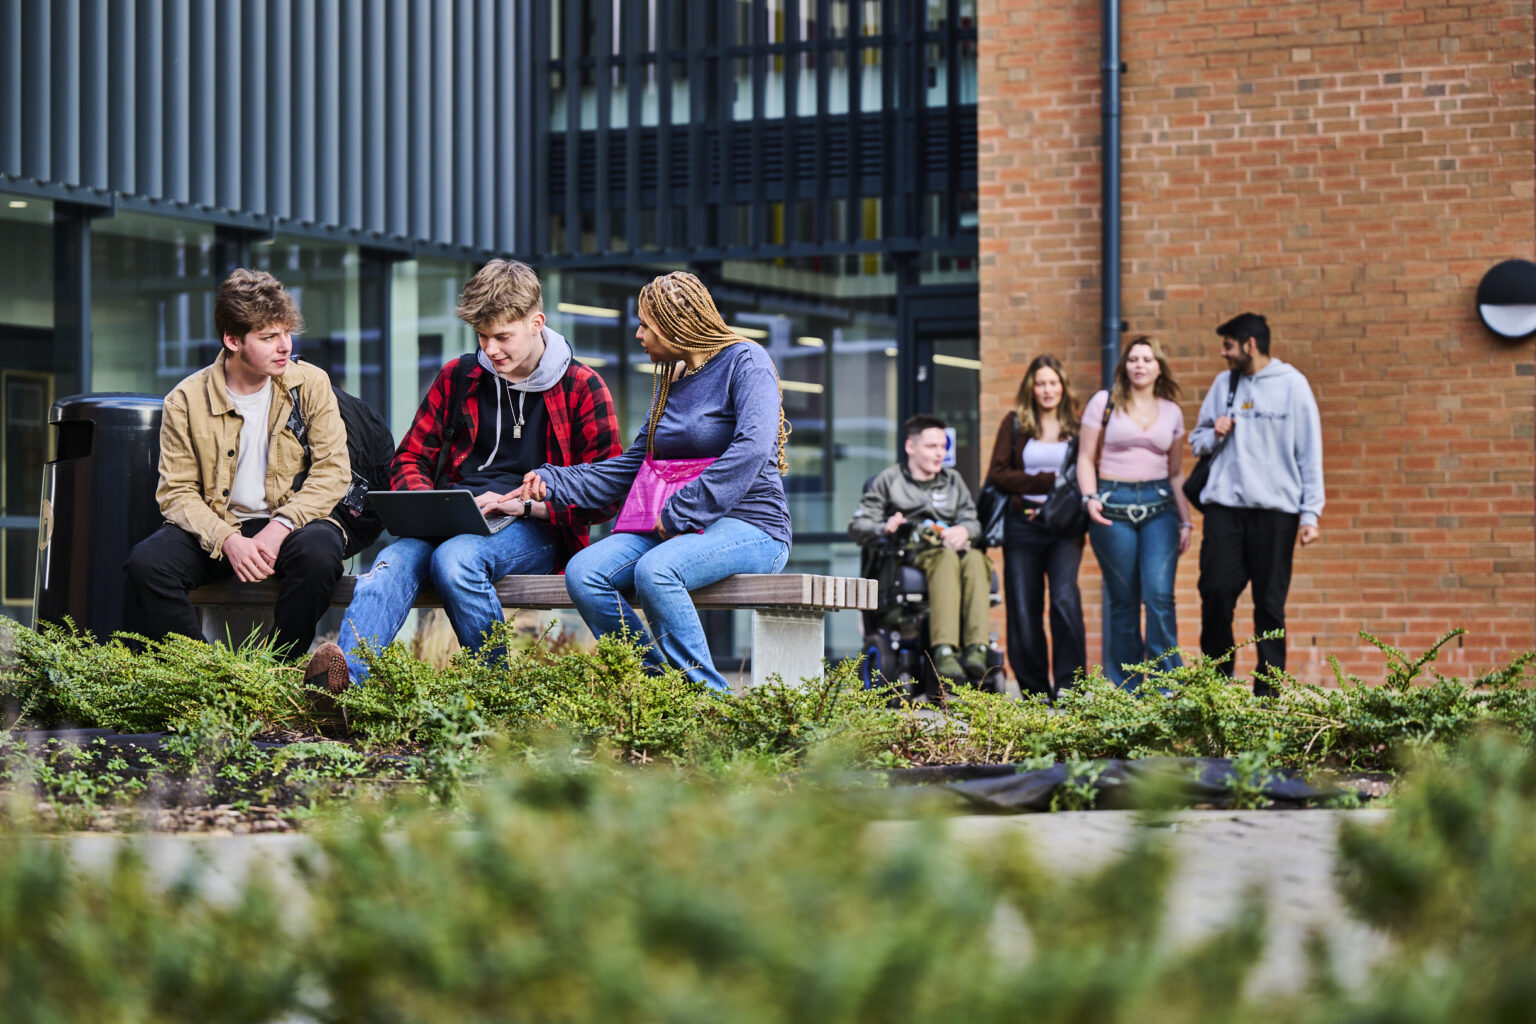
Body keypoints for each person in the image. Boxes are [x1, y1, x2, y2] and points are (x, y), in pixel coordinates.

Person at [303, 259, 622, 690]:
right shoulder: (460, 376)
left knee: (456, 560)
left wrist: (524, 503)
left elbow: (606, 493)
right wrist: (425, 506)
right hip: (450, 517)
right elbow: (409, 457)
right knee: (387, 567)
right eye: (482, 336)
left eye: (502, 336)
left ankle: (493, 695)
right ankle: (344, 694)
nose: (490, 350)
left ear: (536, 322)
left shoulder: (582, 387)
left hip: (532, 526)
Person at [516, 271, 792, 693]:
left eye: (646, 324)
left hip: (752, 525)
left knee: (656, 570)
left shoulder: (746, 361)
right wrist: (555, 481)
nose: (639, 334)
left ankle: (707, 700)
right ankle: (656, 690)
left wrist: (683, 511)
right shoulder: (671, 380)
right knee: (585, 571)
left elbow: (753, 449)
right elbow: (631, 467)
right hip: (677, 524)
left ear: (675, 323)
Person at [124, 268, 350, 660]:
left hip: (291, 521)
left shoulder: (310, 383)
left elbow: (333, 472)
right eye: (268, 337)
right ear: (232, 340)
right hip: (217, 526)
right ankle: (209, 680)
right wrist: (228, 540)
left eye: (286, 333)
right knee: (147, 564)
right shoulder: (186, 400)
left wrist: (279, 527)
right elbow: (176, 493)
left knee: (320, 553)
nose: (285, 346)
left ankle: (276, 673)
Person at [1189, 312, 1324, 696]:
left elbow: (1309, 453)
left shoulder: (1293, 386)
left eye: (1228, 345)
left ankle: (1267, 693)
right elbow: (1196, 441)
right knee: (1215, 591)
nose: (1222, 353)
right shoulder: (1224, 383)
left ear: (1250, 344)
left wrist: (1310, 513)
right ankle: (1215, 687)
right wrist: (1212, 433)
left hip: (1277, 513)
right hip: (1224, 510)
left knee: (1269, 605)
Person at [1077, 336, 1193, 688]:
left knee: (1159, 596)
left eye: (1147, 359)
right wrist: (1089, 497)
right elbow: (1085, 457)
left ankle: (1166, 687)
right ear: (1124, 366)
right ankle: (1128, 690)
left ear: (1159, 367)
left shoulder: (1172, 411)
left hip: (1160, 507)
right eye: (1133, 359)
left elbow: (1175, 472)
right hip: (1112, 504)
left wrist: (1186, 519)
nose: (1139, 364)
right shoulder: (1104, 402)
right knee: (1123, 601)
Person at [851, 414, 990, 688]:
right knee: (946, 559)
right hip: (911, 554)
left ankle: (977, 648)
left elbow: (972, 520)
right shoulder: (889, 480)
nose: (940, 453)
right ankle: (945, 651)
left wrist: (965, 531)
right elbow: (859, 524)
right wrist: (885, 527)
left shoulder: (953, 481)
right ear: (911, 447)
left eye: (943, 446)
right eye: (931, 446)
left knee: (976, 559)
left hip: (954, 548)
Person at [984, 355, 1087, 699]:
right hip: (1022, 525)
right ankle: (1035, 692)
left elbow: (1087, 473)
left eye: (1053, 383)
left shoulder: (1076, 428)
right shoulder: (1015, 423)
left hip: (1065, 528)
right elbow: (998, 474)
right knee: (1024, 608)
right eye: (1041, 383)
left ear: (1062, 387)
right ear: (1032, 387)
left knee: (1063, 600)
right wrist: (1047, 479)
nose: (1047, 389)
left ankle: (1070, 687)